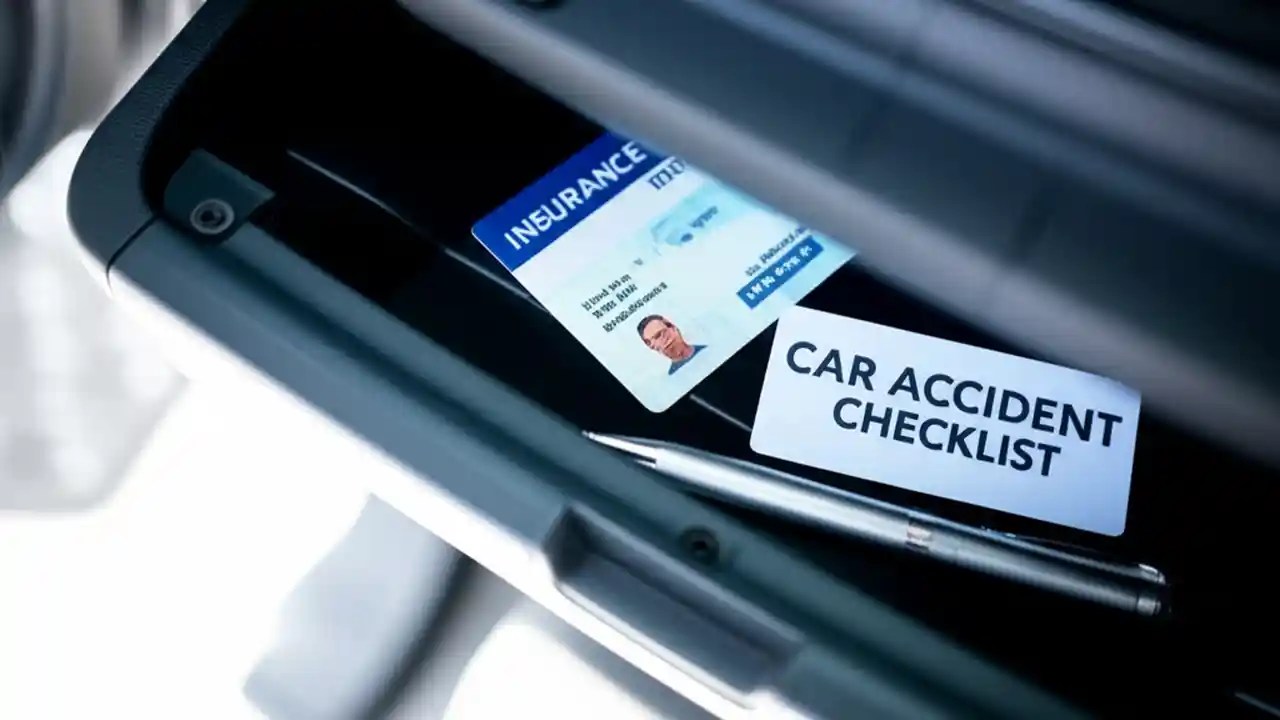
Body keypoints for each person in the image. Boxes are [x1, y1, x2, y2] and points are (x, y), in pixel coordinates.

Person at [636, 315, 706, 375]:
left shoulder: (709, 349)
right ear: (651, 346)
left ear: (673, 327)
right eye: (657, 336)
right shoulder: (672, 380)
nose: (666, 338)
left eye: (665, 332)